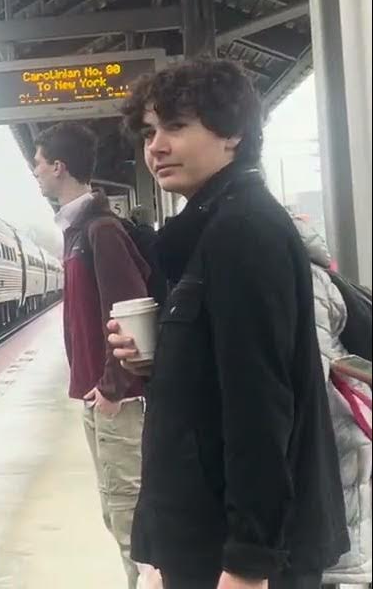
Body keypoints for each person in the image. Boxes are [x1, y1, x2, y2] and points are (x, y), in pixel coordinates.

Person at [108, 58, 348, 589]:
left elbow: (261, 404)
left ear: (233, 133)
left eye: (176, 127)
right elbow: (219, 375)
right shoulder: (214, 226)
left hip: (229, 548)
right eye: (150, 132)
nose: (156, 147)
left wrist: (246, 562)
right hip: (203, 532)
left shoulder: (242, 232)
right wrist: (158, 359)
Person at [31, 122, 152, 588]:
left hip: (116, 402)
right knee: (115, 511)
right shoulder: (78, 230)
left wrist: (112, 387)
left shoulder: (99, 230)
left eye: (39, 163)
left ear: (59, 168)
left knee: (129, 521)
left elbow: (130, 312)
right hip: (99, 397)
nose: (36, 172)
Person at [291, 215, 372, 587]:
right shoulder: (311, 272)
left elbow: (312, 372)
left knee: (329, 563)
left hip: (336, 434)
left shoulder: (304, 278)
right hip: (339, 431)